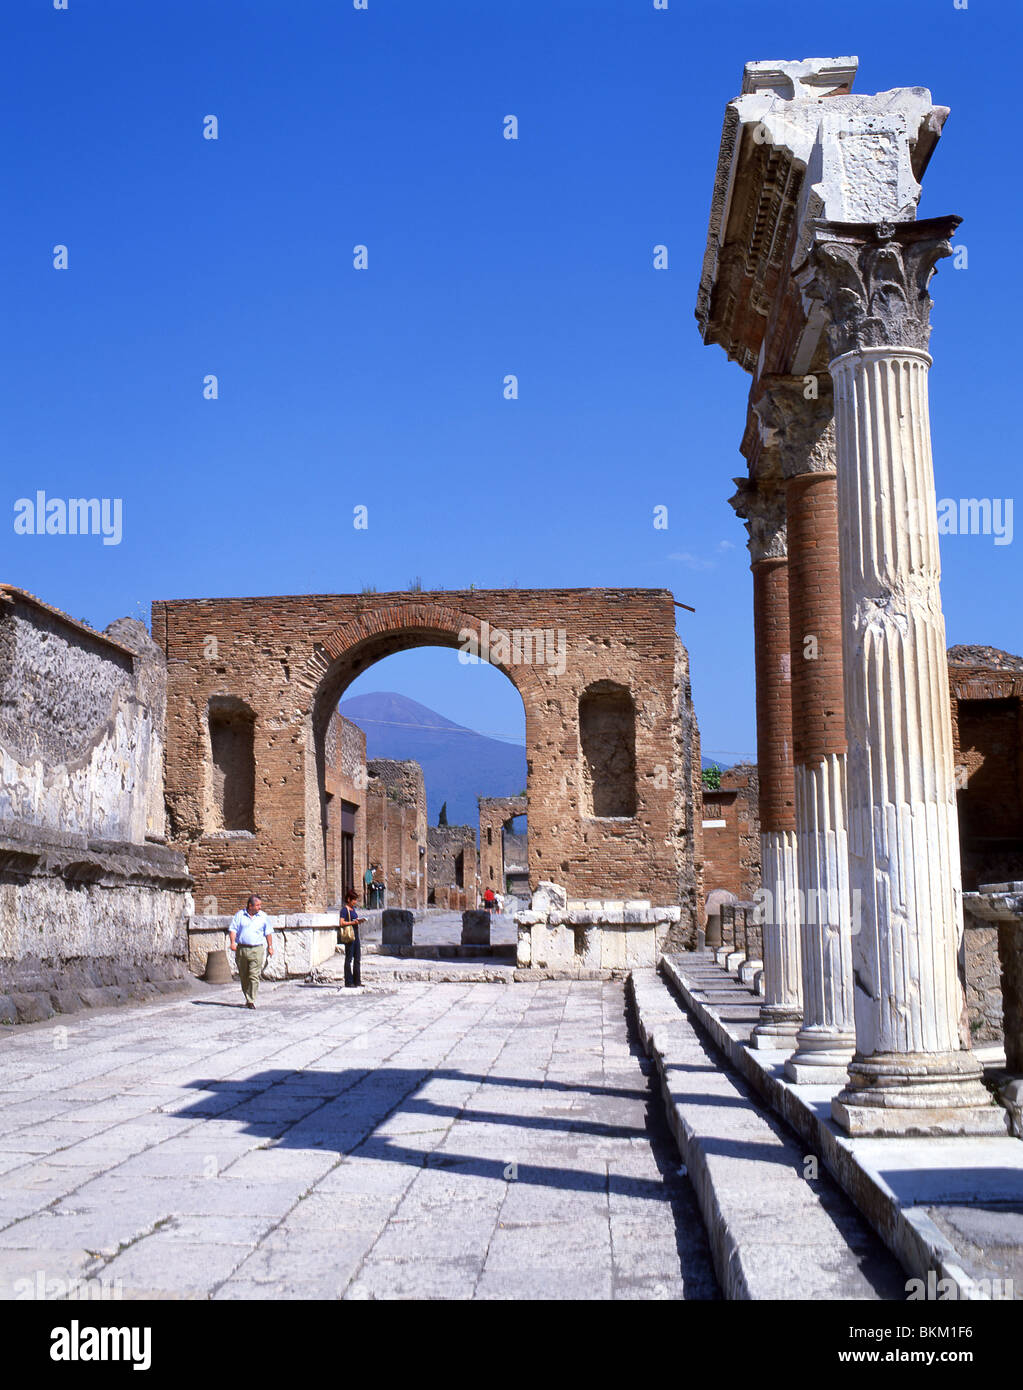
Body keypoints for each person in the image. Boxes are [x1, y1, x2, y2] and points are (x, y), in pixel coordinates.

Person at [228, 893, 274, 1010]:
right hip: (242, 949)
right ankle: (247, 996)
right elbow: (233, 929)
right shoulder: (239, 915)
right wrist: (233, 942)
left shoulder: (263, 916)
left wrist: (270, 946)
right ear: (250, 905)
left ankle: (251, 1000)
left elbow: (268, 932)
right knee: (244, 975)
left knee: (254, 975)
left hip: (257, 949)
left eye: (260, 905)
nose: (260, 907)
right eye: (257, 905)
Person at [338, 888, 364, 990]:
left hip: (356, 935)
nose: (355, 902)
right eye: (354, 900)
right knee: (349, 959)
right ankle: (348, 981)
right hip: (349, 936)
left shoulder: (353, 910)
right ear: (349, 899)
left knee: (357, 958)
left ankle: (357, 980)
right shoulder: (344, 910)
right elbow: (341, 923)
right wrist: (353, 923)